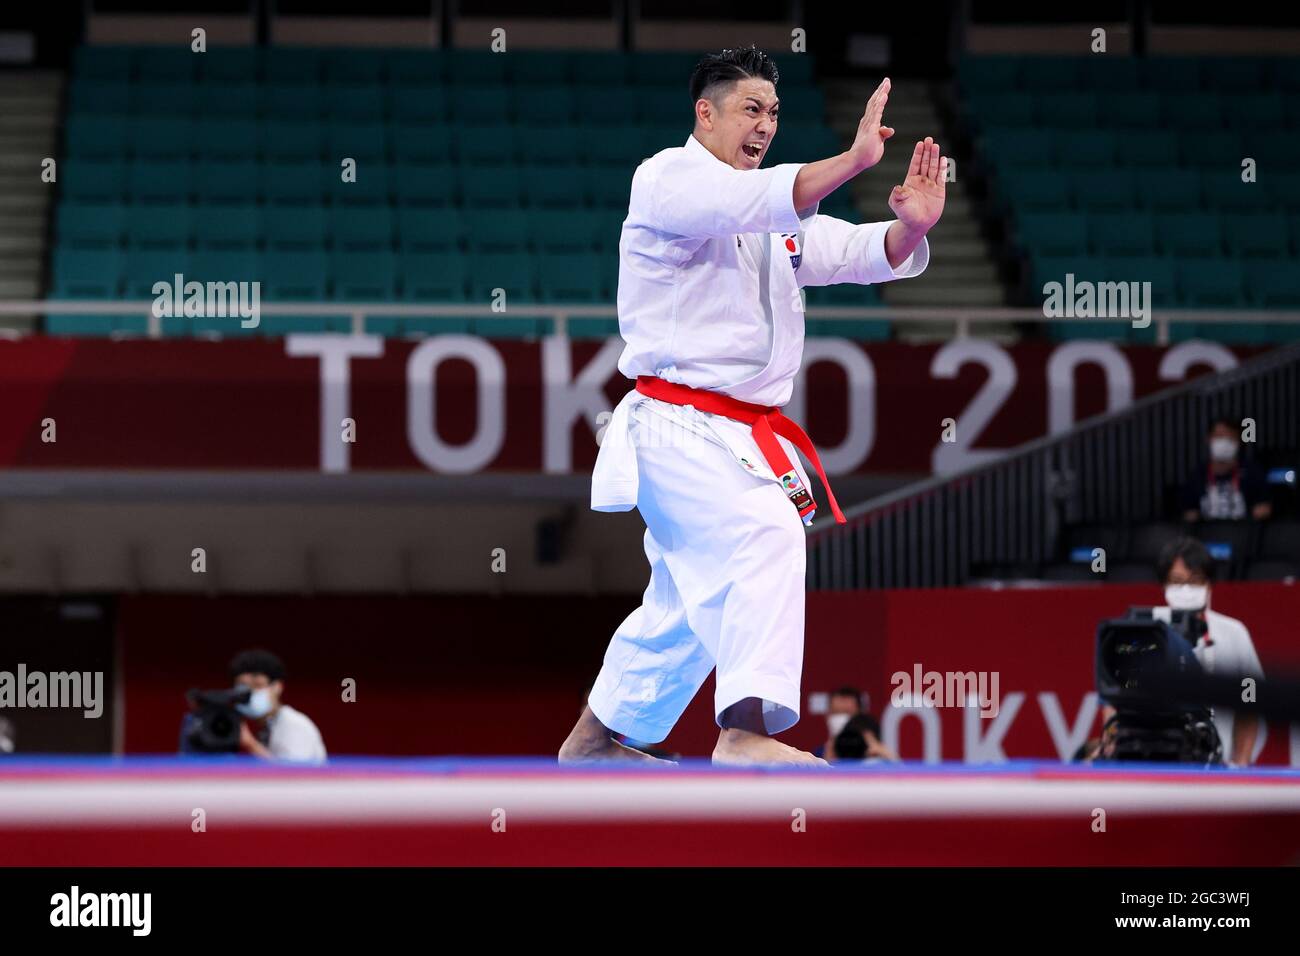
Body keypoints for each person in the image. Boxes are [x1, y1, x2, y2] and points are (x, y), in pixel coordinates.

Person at [559, 47, 945, 766]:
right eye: (749, 109)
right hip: (677, 422)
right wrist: (856, 160)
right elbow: (763, 199)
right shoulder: (666, 179)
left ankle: (594, 740)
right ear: (705, 114)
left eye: (772, 111)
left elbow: (851, 250)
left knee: (683, 603)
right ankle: (743, 732)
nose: (764, 124)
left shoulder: (767, 206)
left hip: (732, 434)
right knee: (765, 534)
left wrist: (912, 229)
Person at [1099, 538, 1264, 766]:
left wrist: (1241, 762)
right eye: (1176, 581)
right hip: (1150, 764)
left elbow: (1250, 702)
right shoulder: (1144, 629)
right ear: (1164, 584)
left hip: (1216, 766)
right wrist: (1113, 744)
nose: (1186, 589)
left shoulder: (1233, 632)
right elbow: (1114, 696)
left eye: (1195, 581)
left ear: (1209, 584)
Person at [229, 649, 327, 764]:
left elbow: (295, 776)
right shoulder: (266, 728)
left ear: (277, 687)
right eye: (243, 687)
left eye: (258, 685)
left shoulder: (294, 725)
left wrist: (251, 744)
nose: (250, 692)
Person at [1180, 418, 1272, 522]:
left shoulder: (1253, 472)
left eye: (1230, 437)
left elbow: (1264, 506)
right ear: (1209, 439)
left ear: (1239, 441)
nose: (1224, 441)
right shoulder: (1197, 475)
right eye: (1219, 436)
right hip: (1206, 535)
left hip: (1245, 534)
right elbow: (1187, 511)